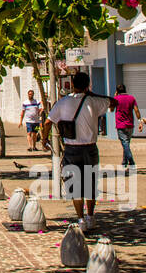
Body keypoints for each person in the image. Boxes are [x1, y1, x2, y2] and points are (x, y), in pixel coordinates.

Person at [47, 72, 113, 233]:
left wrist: (43, 139)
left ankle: (80, 218)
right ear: (88, 84)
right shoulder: (94, 101)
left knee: (75, 185)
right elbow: (113, 102)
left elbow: (48, 122)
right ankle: (90, 216)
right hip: (90, 149)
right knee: (90, 183)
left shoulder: (63, 102)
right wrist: (91, 93)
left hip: (71, 149)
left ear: (72, 82)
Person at [112, 84, 139, 168]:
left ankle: (131, 161)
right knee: (126, 143)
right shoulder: (131, 98)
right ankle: (124, 162)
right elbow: (136, 110)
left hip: (121, 124)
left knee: (125, 143)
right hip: (130, 124)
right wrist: (140, 120)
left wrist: (114, 97)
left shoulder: (116, 99)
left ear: (117, 91)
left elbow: (111, 109)